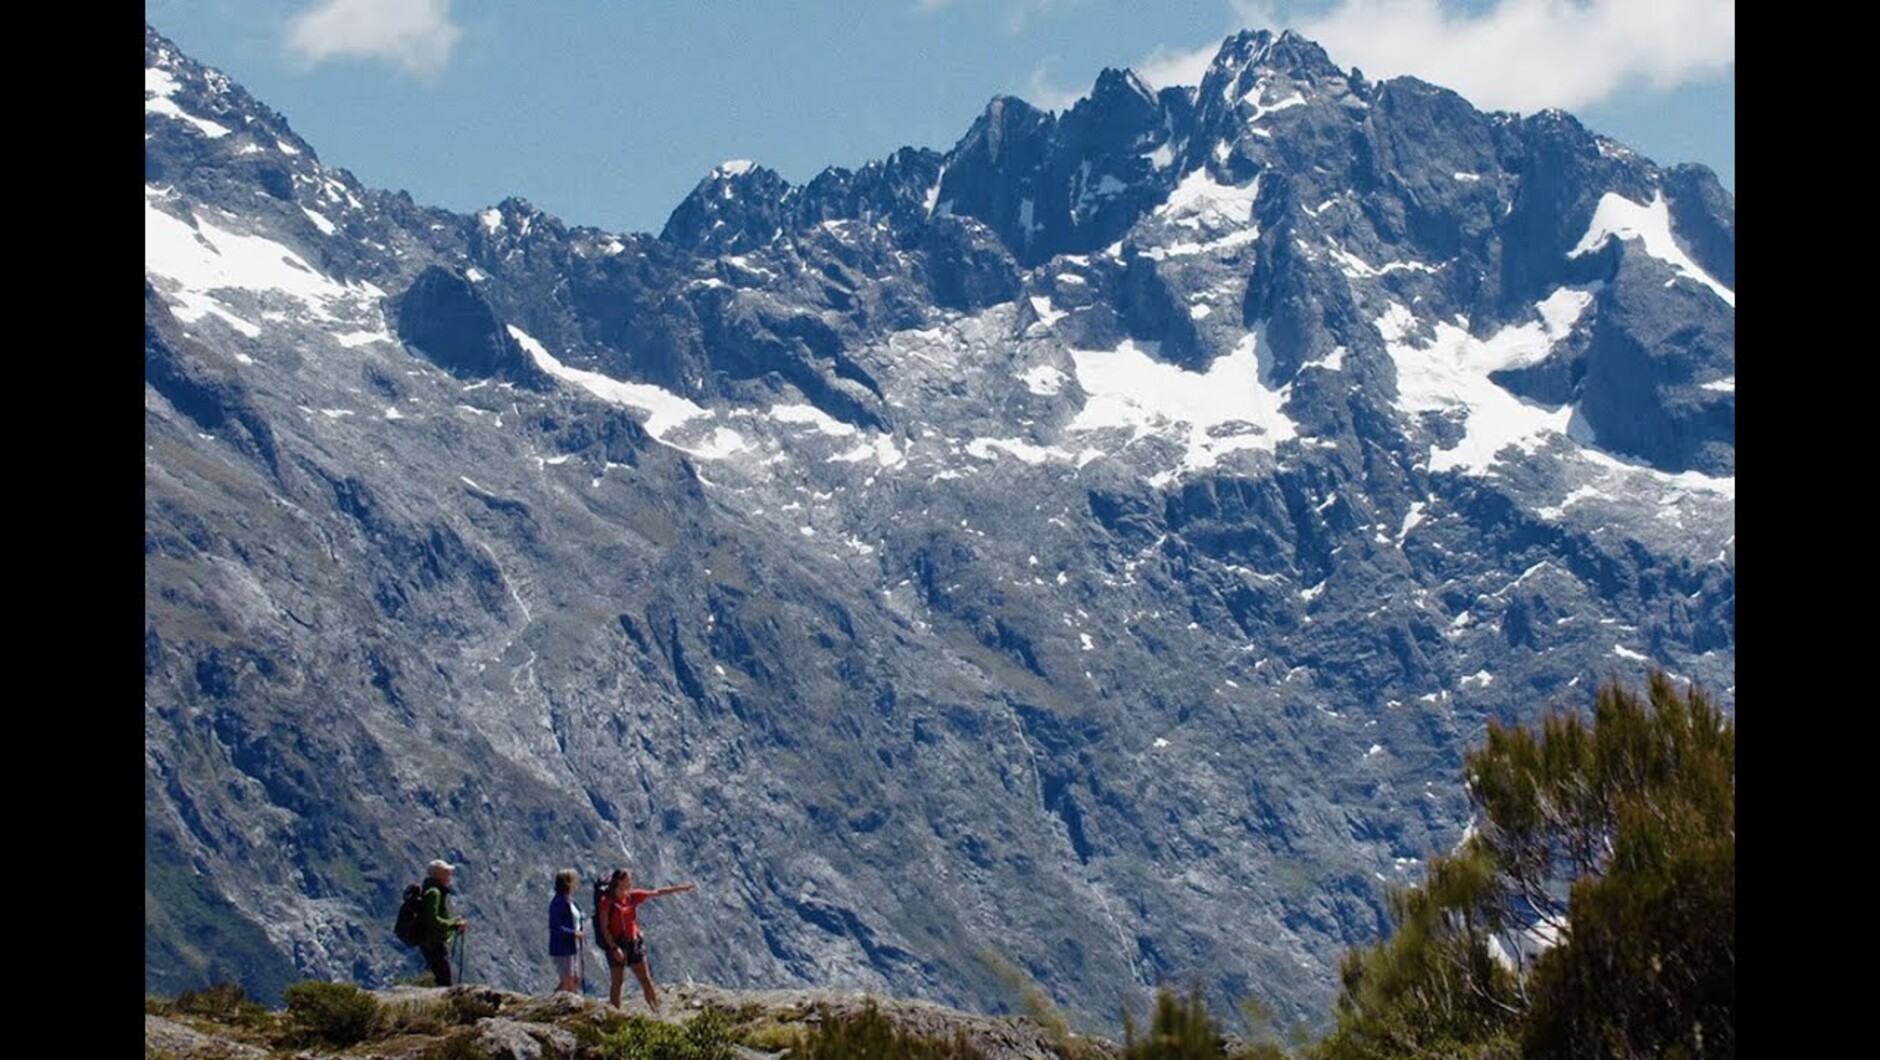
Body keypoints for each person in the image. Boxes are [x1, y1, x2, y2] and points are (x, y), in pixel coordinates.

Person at [595, 866, 696, 1010]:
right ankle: (615, 1014)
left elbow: (657, 892)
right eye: (629, 879)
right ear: (620, 881)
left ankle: (656, 1010)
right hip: (616, 945)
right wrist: (614, 948)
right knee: (618, 981)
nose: (631, 882)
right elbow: (604, 927)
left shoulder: (633, 896)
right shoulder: (607, 902)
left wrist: (681, 888)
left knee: (645, 979)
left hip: (633, 943)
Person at [420, 859, 470, 986]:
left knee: (439, 975)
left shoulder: (432, 890)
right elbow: (433, 920)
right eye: (446, 872)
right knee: (444, 979)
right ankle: (444, 1005)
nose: (449, 875)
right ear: (438, 874)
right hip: (434, 943)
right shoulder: (434, 893)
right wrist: (454, 924)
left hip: (430, 942)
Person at [548, 868, 586, 993]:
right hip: (563, 946)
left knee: (575, 978)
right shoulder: (558, 902)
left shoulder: (569, 901)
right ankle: (554, 1002)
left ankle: (573, 1003)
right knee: (567, 979)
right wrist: (574, 933)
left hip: (574, 945)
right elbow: (556, 926)